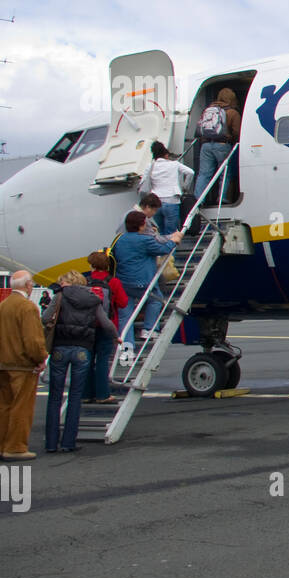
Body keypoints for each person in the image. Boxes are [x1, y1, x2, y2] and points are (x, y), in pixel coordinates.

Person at [42, 271, 119, 453]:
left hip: (60, 347)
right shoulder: (92, 298)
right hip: (83, 348)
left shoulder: (59, 296)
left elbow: (45, 318)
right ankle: (69, 442)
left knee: (55, 396)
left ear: (66, 282)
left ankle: (51, 443)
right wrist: (116, 337)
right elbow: (105, 323)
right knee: (76, 396)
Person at [0, 269, 46, 461]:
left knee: (5, 407)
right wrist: (40, 358)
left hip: (3, 363)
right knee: (22, 408)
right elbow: (33, 340)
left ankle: (1, 446)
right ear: (28, 285)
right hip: (22, 365)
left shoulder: (3, 305)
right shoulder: (27, 307)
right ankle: (15, 447)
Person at [115, 210, 182, 357]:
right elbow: (163, 249)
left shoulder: (119, 239)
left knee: (125, 317)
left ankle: (127, 350)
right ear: (141, 225)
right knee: (156, 300)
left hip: (123, 283)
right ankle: (149, 329)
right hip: (142, 282)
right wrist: (174, 240)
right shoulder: (144, 240)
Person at [86, 251, 128, 403]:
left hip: (88, 325)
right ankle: (103, 394)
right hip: (107, 325)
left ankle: (86, 394)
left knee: (88, 360)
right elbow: (123, 303)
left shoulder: (87, 281)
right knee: (103, 360)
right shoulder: (113, 282)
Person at [194, 87, 241, 206]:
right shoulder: (232, 112)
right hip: (223, 145)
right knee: (225, 173)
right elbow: (237, 132)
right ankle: (222, 198)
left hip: (205, 145)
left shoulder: (208, 110)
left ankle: (198, 199)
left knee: (204, 174)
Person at [141, 142, 193, 236]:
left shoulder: (150, 166)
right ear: (166, 155)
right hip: (171, 200)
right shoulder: (174, 164)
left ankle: (163, 249)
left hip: (155, 203)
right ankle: (171, 249)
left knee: (161, 232)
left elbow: (143, 181)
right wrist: (185, 187)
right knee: (172, 233)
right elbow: (190, 172)